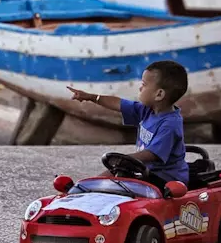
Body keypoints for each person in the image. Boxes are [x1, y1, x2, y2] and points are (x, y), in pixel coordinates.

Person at [66, 60, 190, 191]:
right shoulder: (148, 110)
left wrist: (125, 159)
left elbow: (151, 154)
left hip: (165, 180)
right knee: (105, 178)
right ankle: (80, 192)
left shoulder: (170, 124)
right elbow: (118, 103)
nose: (140, 88)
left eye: (144, 84)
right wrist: (90, 97)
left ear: (159, 94)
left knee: (117, 186)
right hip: (146, 171)